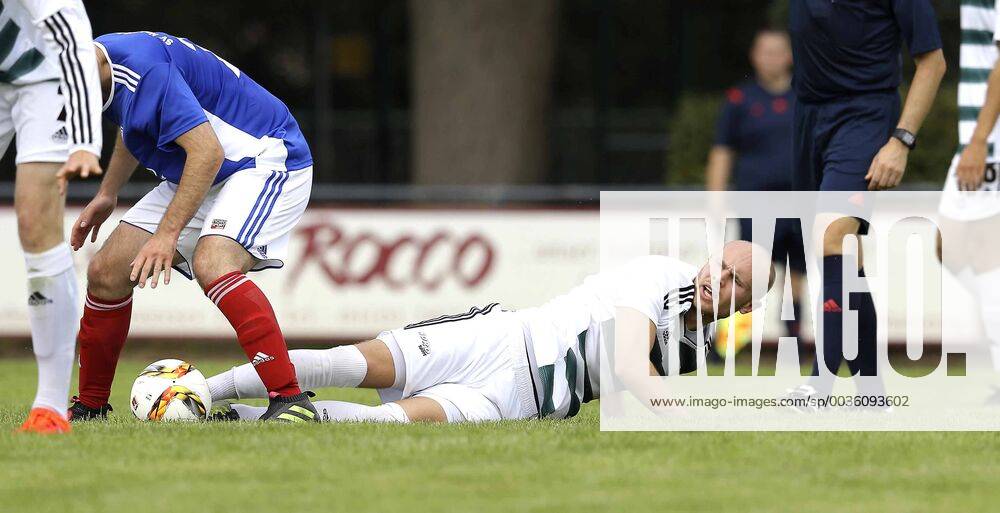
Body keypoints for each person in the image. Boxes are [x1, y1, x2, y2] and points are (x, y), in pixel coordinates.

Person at [205, 241, 775, 423]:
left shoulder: (696, 350)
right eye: (720, 267)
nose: (718, 281)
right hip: (504, 338)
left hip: (520, 399)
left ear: (744, 306)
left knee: (383, 424)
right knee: (348, 364)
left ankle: (230, 419)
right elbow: (630, 365)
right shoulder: (659, 274)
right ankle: (208, 390)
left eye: (736, 285)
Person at [66, 31, 318, 422]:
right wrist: (108, 193)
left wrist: (166, 236)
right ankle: (91, 406)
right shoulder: (104, 65)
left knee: (213, 263)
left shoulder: (143, 70)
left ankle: (290, 401)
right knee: (106, 272)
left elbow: (207, 151)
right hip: (207, 169)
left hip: (265, 158)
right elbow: (136, 123)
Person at [787, 1, 946, 405]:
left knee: (833, 237)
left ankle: (821, 383)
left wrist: (901, 140)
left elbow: (933, 62)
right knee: (843, 253)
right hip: (808, 117)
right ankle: (871, 390)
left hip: (865, 114)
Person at [11, 1, 104, 435]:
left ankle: (50, 407)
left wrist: (85, 141)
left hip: (44, 77)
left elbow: (71, 37)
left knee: (35, 221)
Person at [706, 28, 806, 342]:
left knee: (797, 269)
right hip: (755, 201)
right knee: (746, 271)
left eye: (777, 51)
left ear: (790, 56)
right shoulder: (740, 99)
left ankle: (793, 336)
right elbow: (722, 150)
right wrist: (716, 198)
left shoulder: (806, 97)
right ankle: (732, 340)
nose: (771, 58)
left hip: (800, 199)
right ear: (754, 55)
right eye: (764, 51)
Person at [937, 0, 1000, 388]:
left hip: (989, 138)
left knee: (984, 256)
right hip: (977, 137)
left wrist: (979, 141)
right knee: (948, 245)